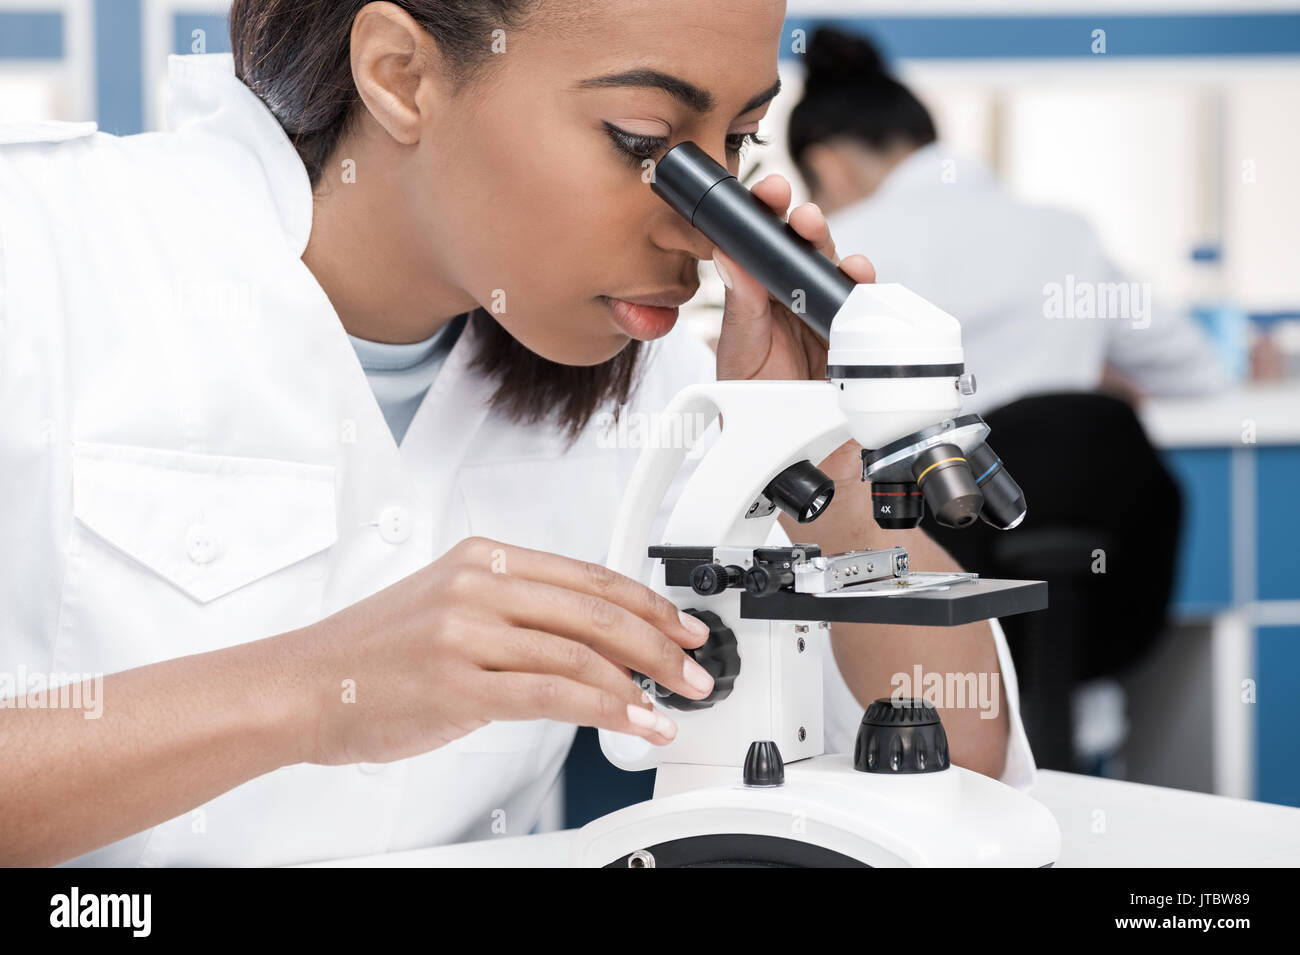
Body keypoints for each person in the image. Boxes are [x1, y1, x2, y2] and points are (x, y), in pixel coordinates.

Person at [0, 0, 1033, 867]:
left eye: (738, 144)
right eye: (642, 142)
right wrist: (314, 689)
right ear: (400, 75)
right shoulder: (40, 251)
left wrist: (818, 462)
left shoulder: (661, 385)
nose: (697, 226)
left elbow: (961, 761)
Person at [788, 27, 1229, 416]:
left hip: (940, 486)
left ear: (828, 166)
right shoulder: (1068, 232)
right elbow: (1197, 372)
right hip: (1081, 479)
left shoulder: (851, 243)